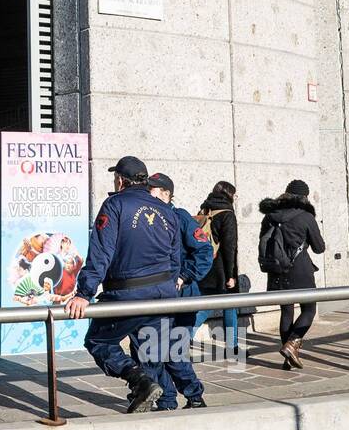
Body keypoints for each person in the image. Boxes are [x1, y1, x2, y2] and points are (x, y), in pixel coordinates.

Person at [67, 156, 181, 414]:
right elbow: (175, 259)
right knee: (149, 354)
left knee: (99, 341)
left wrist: (85, 292)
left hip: (128, 293)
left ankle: (138, 382)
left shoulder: (115, 205)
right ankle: (146, 398)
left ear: (120, 180)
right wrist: (170, 287)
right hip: (163, 295)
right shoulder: (166, 210)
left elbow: (101, 253)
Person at [146, 172, 211, 410]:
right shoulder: (147, 218)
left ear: (165, 194)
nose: (146, 194)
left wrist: (184, 276)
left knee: (172, 350)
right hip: (156, 297)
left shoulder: (180, 217)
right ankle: (167, 399)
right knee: (152, 350)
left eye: (151, 190)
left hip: (181, 298)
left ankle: (194, 396)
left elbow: (204, 254)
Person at [257, 179, 326, 371]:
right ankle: (292, 344)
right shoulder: (305, 217)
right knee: (309, 309)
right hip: (300, 269)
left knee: (286, 311)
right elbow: (319, 248)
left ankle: (288, 358)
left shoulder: (270, 216)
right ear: (304, 197)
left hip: (277, 268)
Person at [196, 181, 241, 358]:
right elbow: (230, 246)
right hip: (222, 269)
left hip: (205, 266)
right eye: (234, 194)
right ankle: (233, 346)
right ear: (229, 194)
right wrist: (231, 275)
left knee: (205, 306)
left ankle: (183, 339)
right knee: (229, 306)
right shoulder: (227, 214)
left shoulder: (205, 210)